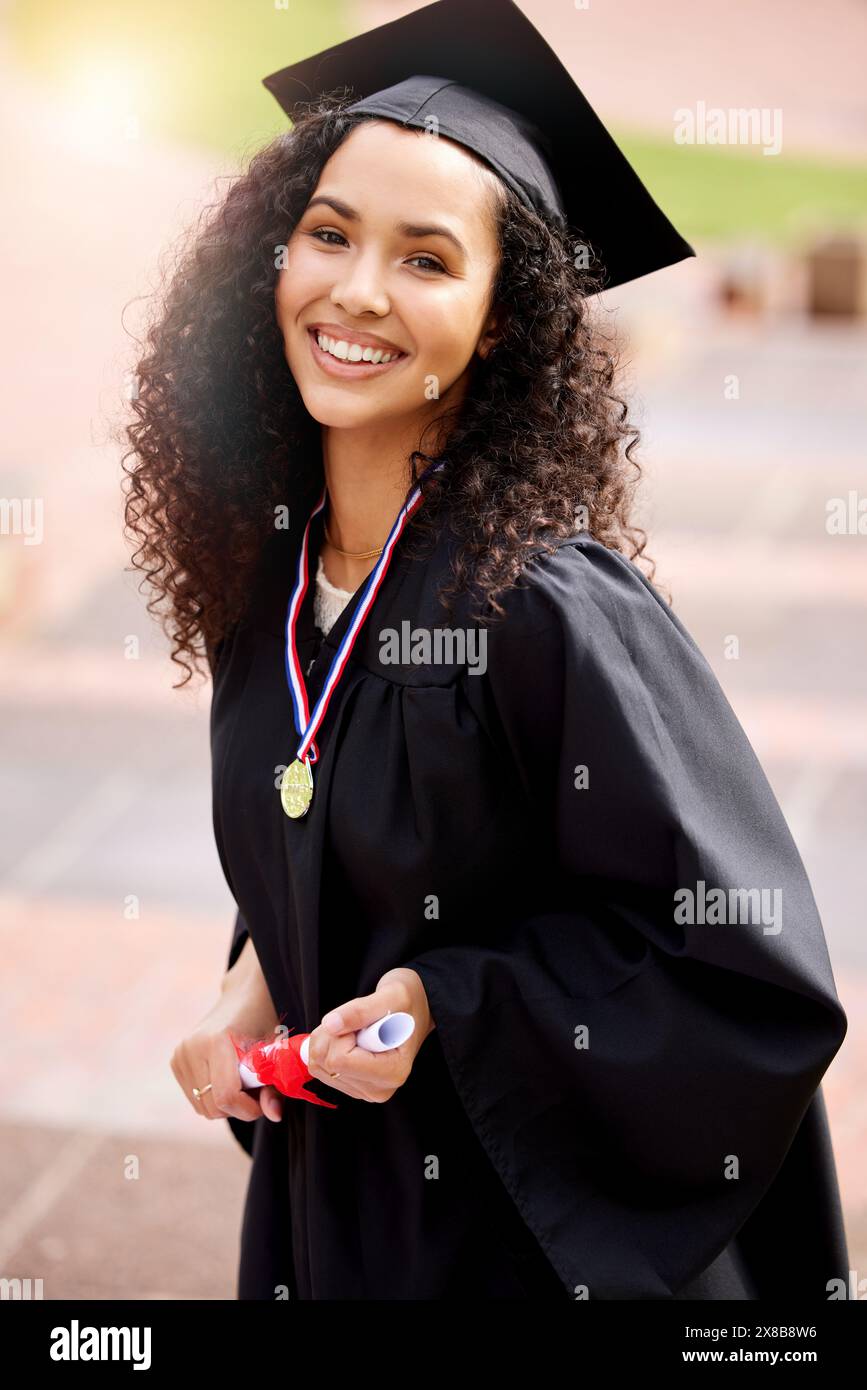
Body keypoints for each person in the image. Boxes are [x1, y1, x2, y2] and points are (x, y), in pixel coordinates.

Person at [124, 0, 849, 1299]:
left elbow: (735, 960)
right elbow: (336, 853)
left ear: (503, 320)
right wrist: (250, 996)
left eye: (426, 258)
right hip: (336, 1207)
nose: (356, 290)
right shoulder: (272, 583)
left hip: (521, 1244)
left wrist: (441, 1004)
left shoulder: (544, 608)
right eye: (330, 234)